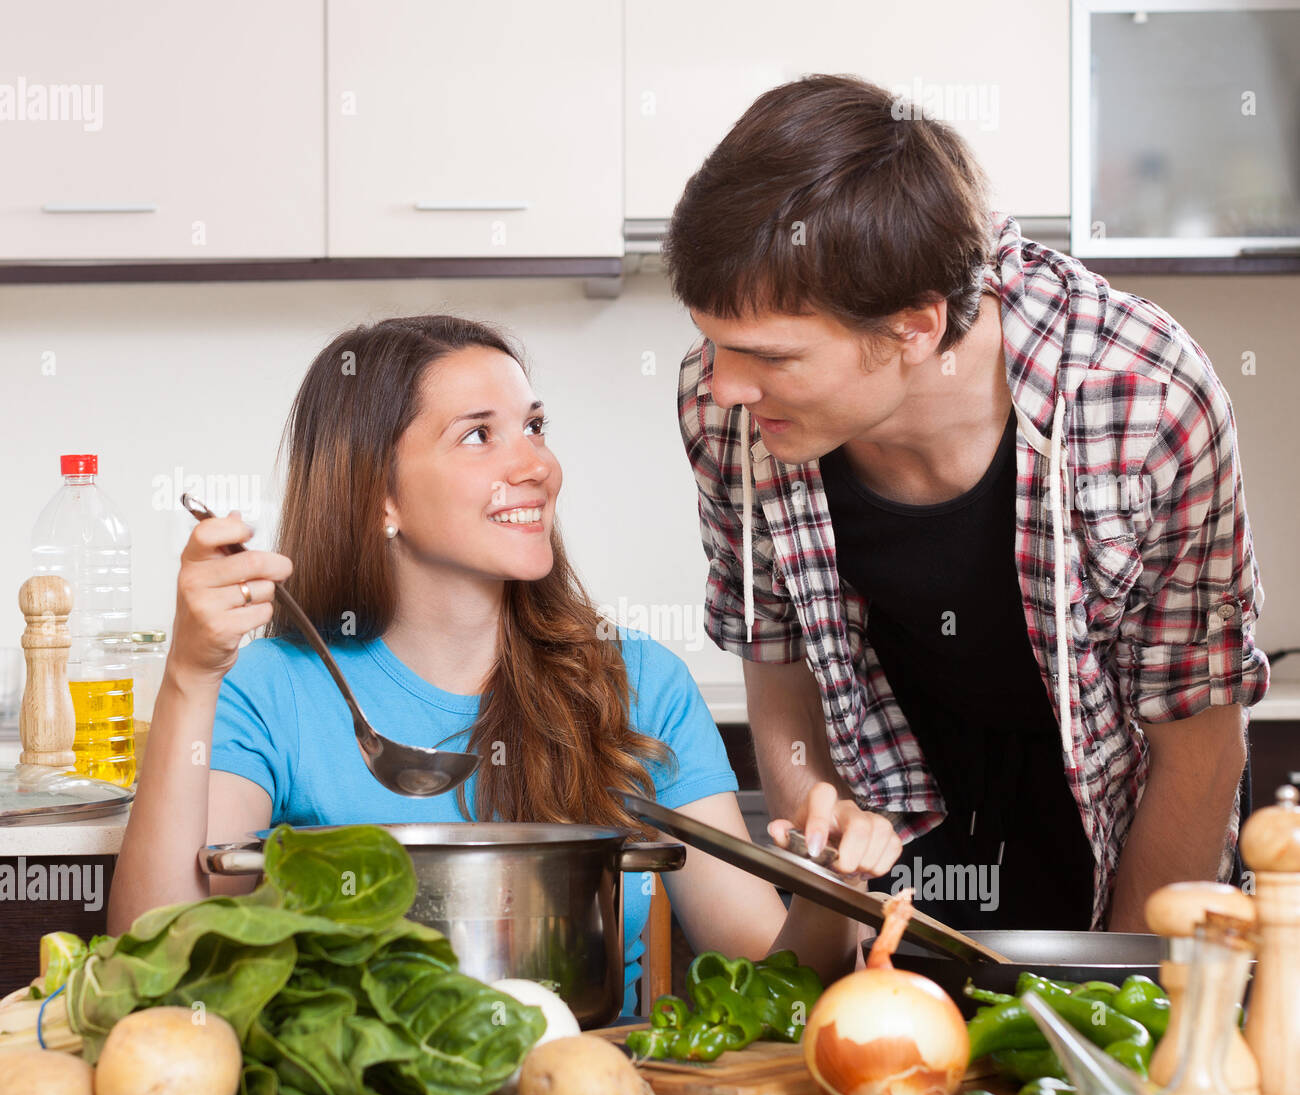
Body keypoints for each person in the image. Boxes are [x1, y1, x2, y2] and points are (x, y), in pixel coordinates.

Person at [107, 314, 877, 1009]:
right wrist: (189, 674)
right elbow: (156, 963)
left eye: (535, 425)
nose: (538, 464)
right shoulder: (273, 689)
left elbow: (785, 986)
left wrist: (833, 892)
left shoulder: (637, 683)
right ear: (380, 496)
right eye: (479, 435)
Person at [663, 75, 1268, 936]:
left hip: (1110, 840)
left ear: (915, 325)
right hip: (904, 859)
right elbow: (781, 670)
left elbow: (1199, 746)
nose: (723, 385)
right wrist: (826, 827)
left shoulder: (1144, 404)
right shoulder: (724, 407)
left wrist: (1125, 996)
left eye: (769, 355)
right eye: (712, 341)